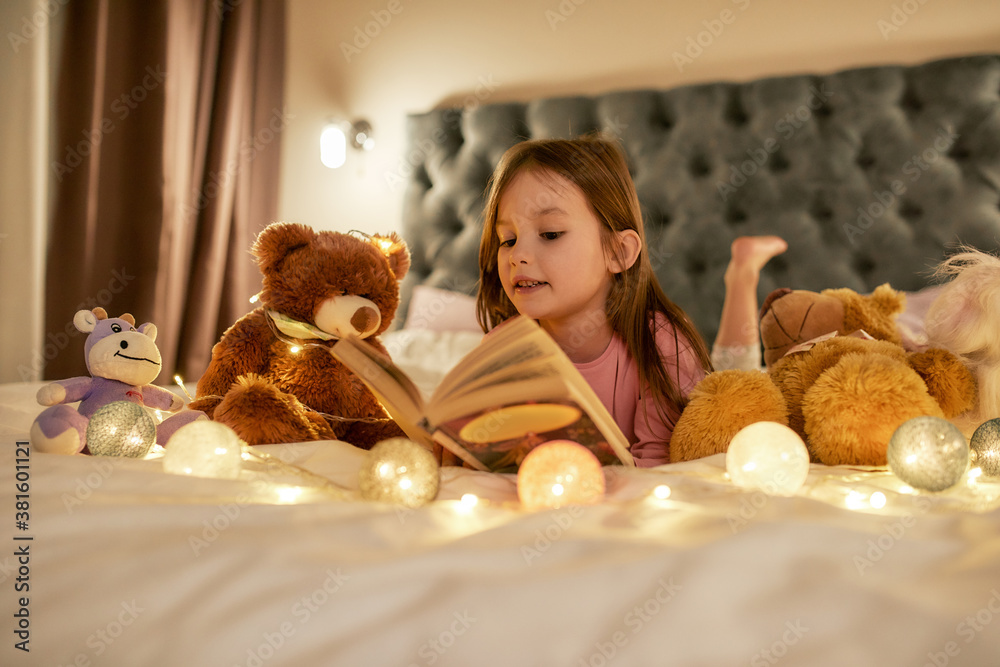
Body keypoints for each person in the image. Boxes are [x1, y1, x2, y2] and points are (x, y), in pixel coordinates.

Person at [475, 136, 717, 467]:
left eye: (550, 234)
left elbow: (661, 471)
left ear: (618, 252)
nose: (518, 255)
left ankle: (742, 276)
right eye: (509, 239)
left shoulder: (661, 346)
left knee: (736, 358)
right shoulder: (501, 350)